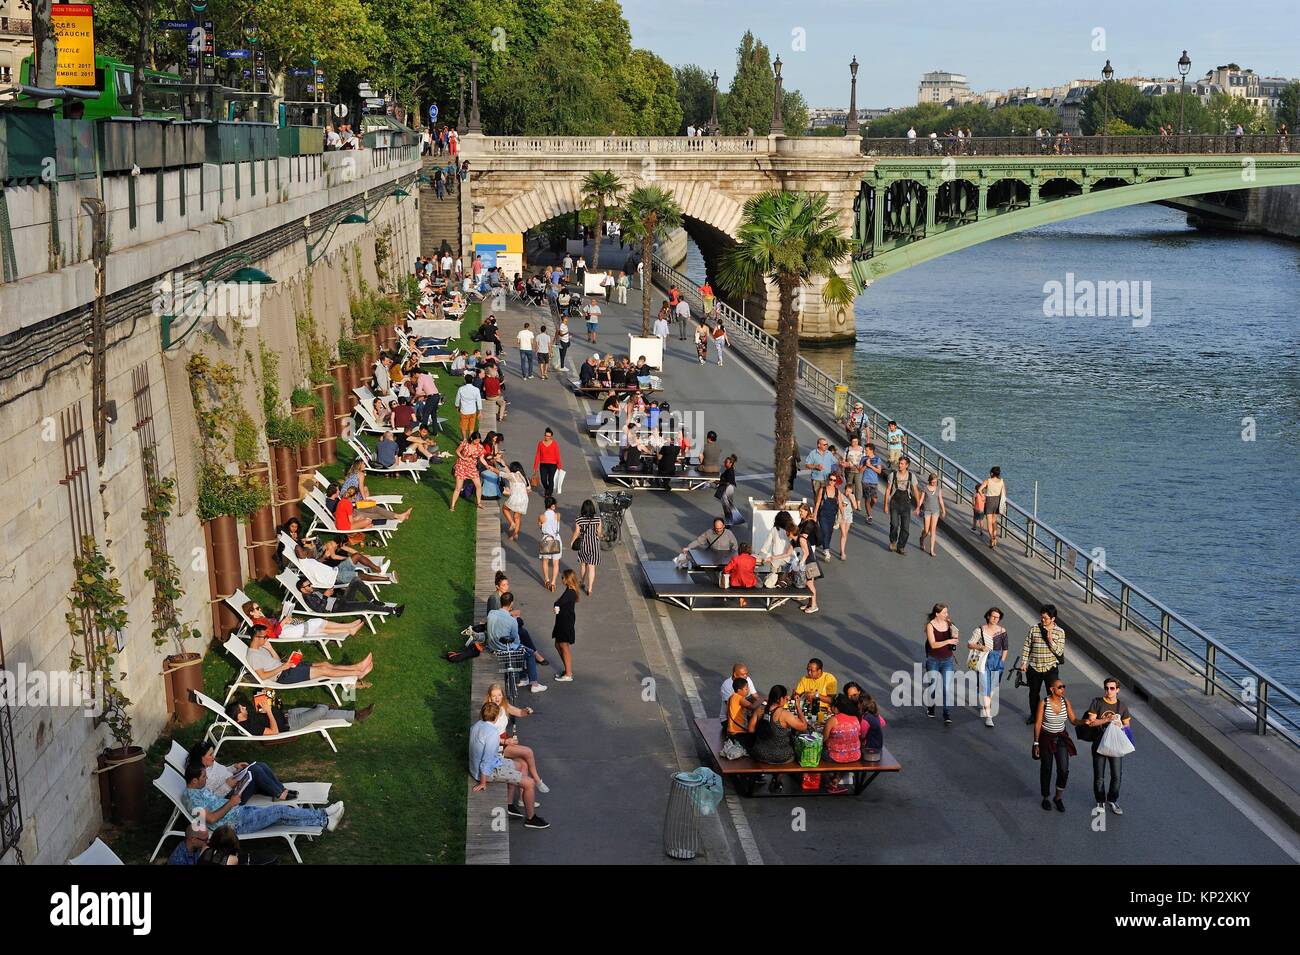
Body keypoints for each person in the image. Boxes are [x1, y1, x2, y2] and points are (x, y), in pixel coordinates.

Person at [183, 764, 342, 835]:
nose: (206, 778)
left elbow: (213, 803)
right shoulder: (192, 799)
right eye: (204, 776)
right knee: (281, 811)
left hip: (238, 813)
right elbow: (210, 819)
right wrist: (230, 803)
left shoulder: (198, 788)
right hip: (236, 824)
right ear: (194, 780)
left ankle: (325, 820)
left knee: (282, 817)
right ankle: (324, 817)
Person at [470, 701, 548, 829]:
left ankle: (510, 804)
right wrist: (483, 782)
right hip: (488, 771)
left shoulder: (476, 726)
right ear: (495, 718)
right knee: (529, 783)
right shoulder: (492, 733)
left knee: (521, 766)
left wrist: (504, 741)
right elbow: (486, 762)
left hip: (480, 766)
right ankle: (531, 818)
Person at [244, 625, 374, 688]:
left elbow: (275, 661)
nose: (267, 638)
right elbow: (262, 676)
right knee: (323, 671)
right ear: (257, 637)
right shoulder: (253, 656)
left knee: (325, 664)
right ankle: (357, 673)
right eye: (265, 637)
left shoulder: (260, 648)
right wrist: (283, 667)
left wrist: (270, 648)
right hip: (283, 676)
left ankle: (357, 667)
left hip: (286, 668)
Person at [484, 684, 550, 795]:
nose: (497, 698)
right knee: (528, 752)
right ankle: (537, 781)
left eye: (499, 695)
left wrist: (526, 711)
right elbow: (487, 736)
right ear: (489, 697)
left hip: (505, 741)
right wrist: (505, 741)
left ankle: (522, 798)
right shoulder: (488, 711)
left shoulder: (504, 706)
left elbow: (519, 712)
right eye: (494, 696)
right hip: (496, 746)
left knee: (523, 764)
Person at [186, 739, 297, 804]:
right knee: (255, 771)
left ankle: (280, 789)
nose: (213, 756)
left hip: (235, 783)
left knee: (260, 764)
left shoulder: (210, 764)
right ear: (201, 758)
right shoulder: (201, 776)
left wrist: (235, 767)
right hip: (231, 797)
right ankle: (278, 794)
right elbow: (211, 798)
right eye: (210, 755)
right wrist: (227, 785)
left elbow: (223, 770)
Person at [1083, 678, 1132, 815]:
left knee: (1117, 775)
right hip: (1100, 743)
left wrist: (1120, 725)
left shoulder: (1122, 706)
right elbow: (1091, 723)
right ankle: (1100, 800)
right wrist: (1106, 719)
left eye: (1111, 688)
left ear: (1117, 690)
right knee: (1099, 776)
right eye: (1106, 688)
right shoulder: (1097, 702)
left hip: (1115, 745)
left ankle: (1112, 800)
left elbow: (1127, 726)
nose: (1108, 691)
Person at [225, 694, 373, 737]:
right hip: (292, 723)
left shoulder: (246, 717)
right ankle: (322, 705)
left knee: (323, 714)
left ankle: (355, 715)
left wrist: (264, 707)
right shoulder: (250, 727)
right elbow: (274, 732)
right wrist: (269, 712)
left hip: (288, 714)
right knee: (322, 711)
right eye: (241, 708)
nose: (244, 707)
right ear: (238, 716)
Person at [486, 592, 547, 693]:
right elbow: (516, 640)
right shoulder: (512, 621)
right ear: (511, 604)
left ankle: (524, 678)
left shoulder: (491, 613)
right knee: (530, 653)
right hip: (505, 648)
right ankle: (534, 684)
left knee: (520, 648)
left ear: (501, 602)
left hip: (493, 646)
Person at [1033, 678, 1079, 812]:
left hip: (1061, 738)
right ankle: (1046, 797)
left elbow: (1074, 720)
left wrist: (1086, 721)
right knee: (1047, 768)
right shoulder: (1044, 703)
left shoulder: (1065, 702)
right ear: (1052, 689)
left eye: (1063, 686)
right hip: (1046, 738)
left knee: (1064, 770)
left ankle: (1058, 798)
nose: (1063, 689)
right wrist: (1036, 743)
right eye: (1060, 687)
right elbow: (1037, 723)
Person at [1020, 604, 1066, 724]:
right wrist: (1024, 662)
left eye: (1045, 618)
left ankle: (1052, 716)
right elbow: (1027, 646)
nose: (1043, 620)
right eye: (1042, 617)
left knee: (1053, 693)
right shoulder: (1034, 629)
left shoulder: (1060, 632)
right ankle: (1034, 716)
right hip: (1034, 667)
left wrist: (1051, 640)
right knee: (1033, 693)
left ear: (1053, 618)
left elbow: (1060, 651)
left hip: (1050, 668)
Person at [749, 685, 808, 770]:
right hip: (780, 756)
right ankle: (778, 779)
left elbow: (751, 730)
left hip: (759, 753)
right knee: (795, 748)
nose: (786, 699)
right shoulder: (784, 714)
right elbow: (803, 726)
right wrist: (798, 707)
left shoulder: (759, 709)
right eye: (785, 697)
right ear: (780, 699)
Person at [969, 607, 1008, 727]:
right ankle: (988, 716)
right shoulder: (979, 630)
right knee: (986, 687)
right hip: (984, 660)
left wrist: (1002, 661)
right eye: (993, 616)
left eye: (998, 617)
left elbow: (1005, 648)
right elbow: (970, 644)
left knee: (992, 688)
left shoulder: (1002, 631)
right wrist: (980, 647)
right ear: (988, 616)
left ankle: (985, 705)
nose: (996, 619)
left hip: (997, 661)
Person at [924, 603, 960, 724]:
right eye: (944, 613)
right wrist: (948, 640)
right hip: (933, 660)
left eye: (947, 612)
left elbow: (954, 637)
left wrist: (954, 638)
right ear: (937, 614)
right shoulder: (930, 626)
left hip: (947, 660)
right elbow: (933, 644)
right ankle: (931, 706)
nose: (947, 615)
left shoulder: (949, 623)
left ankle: (946, 712)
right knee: (933, 685)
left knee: (946, 687)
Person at [823, 694, 862, 791]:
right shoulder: (855, 718)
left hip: (834, 757)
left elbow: (823, 739)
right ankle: (836, 780)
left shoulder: (833, 720)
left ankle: (833, 779)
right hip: (855, 756)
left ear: (836, 708)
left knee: (820, 752)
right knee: (844, 753)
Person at [885, 456, 921, 554]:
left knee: (905, 528)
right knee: (894, 525)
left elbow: (916, 491)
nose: (900, 465)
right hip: (894, 503)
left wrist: (918, 506)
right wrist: (885, 505)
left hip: (906, 504)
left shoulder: (911, 476)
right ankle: (893, 542)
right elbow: (888, 489)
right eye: (899, 463)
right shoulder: (893, 475)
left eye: (902, 464)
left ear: (907, 465)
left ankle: (901, 546)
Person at [551, 567, 580, 681]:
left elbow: (559, 602)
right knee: (558, 645)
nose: (561, 579)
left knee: (563, 645)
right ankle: (567, 670)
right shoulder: (569, 590)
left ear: (567, 579)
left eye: (562, 577)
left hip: (565, 622)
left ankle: (568, 674)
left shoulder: (570, 592)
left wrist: (556, 604)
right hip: (562, 620)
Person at [571, 499, 603, 595]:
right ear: (592, 509)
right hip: (594, 545)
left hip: (584, 544)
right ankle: (590, 588)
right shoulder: (597, 519)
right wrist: (599, 536)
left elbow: (577, 532)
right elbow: (599, 533)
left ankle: (582, 581)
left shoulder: (579, 519)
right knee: (591, 567)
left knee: (583, 564)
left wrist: (572, 541)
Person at [790, 514, 820, 614]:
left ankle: (814, 605)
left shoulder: (801, 539)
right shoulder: (794, 541)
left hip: (810, 563)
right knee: (809, 584)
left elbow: (806, 553)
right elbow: (787, 553)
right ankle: (810, 603)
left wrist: (800, 564)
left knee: (810, 585)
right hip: (806, 563)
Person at [450, 431, 485, 510]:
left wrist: (486, 465)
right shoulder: (465, 444)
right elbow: (457, 451)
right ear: (472, 438)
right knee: (458, 487)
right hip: (461, 466)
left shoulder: (480, 447)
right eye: (476, 440)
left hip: (472, 467)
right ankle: (452, 506)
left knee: (478, 485)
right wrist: (463, 458)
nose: (477, 442)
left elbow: (481, 458)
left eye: (479, 440)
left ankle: (479, 503)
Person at [724, 677, 762, 747]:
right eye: (746, 689)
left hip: (731, 731)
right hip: (738, 732)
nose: (748, 691)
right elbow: (752, 707)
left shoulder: (732, 697)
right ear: (739, 690)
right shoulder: (739, 698)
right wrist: (761, 699)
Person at [976, 467, 1006, 548]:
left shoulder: (988, 481)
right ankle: (995, 537)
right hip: (997, 501)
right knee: (994, 521)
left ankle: (991, 539)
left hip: (989, 501)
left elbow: (979, 489)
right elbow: (1004, 494)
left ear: (992, 473)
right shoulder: (1001, 482)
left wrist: (982, 496)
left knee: (989, 522)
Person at [500, 461, 530, 541]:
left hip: (516, 497)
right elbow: (529, 489)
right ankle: (515, 535)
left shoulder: (513, 475)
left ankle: (512, 523)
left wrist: (492, 469)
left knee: (505, 508)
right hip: (524, 499)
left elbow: (502, 473)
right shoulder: (525, 477)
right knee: (517, 517)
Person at [917, 473, 946, 556]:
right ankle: (922, 539)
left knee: (933, 531)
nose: (934, 483)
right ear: (930, 481)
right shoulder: (925, 488)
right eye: (933, 482)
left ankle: (931, 550)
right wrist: (918, 507)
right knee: (926, 530)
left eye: (935, 482)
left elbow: (940, 500)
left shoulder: (938, 489)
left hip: (935, 511)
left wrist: (943, 510)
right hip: (927, 511)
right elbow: (922, 499)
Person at [722, 542, 759, 607]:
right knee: (756, 577)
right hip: (749, 583)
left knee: (735, 577)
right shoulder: (753, 559)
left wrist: (730, 572)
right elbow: (751, 570)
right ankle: (742, 598)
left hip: (736, 583)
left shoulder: (735, 558)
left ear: (739, 550)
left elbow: (726, 570)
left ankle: (740, 598)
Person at [532, 428, 562, 497]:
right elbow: (538, 455)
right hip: (543, 464)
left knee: (550, 479)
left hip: (553, 465)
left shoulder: (554, 444)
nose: (547, 437)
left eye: (548, 436)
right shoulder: (540, 443)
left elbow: (557, 454)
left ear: (551, 437)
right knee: (543, 479)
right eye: (545, 435)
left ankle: (549, 493)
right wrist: (535, 466)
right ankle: (547, 489)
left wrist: (559, 465)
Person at [455, 373, 482, 438]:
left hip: (464, 411)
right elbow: (479, 401)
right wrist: (480, 412)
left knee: (463, 427)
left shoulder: (461, 389)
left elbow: (457, 399)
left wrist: (457, 406)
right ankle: (470, 439)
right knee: (471, 428)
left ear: (465, 380)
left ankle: (464, 439)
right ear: (472, 380)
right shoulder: (476, 389)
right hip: (473, 411)